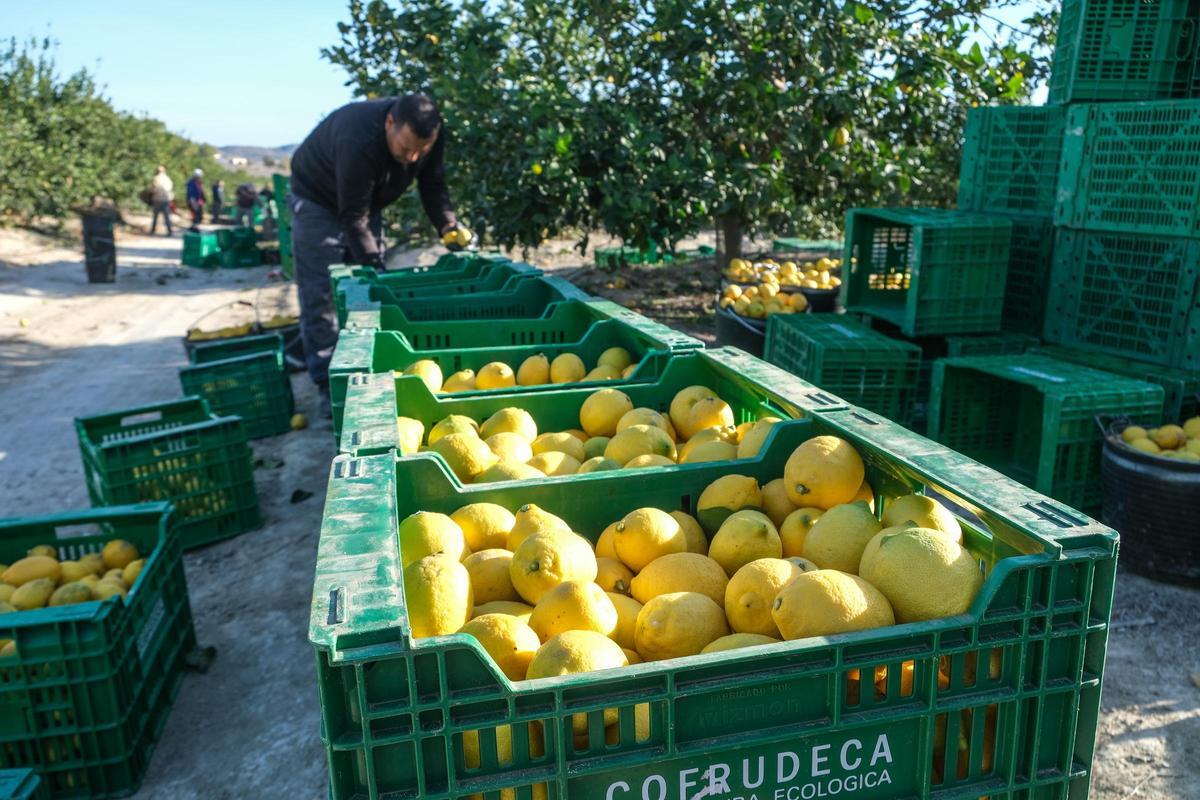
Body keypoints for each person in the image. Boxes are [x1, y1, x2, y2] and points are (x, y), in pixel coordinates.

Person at [290, 93, 469, 414]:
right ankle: (327, 383)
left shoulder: (429, 134)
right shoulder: (358, 139)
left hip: (364, 202)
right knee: (322, 293)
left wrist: (447, 225)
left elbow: (433, 184)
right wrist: (375, 264)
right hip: (318, 199)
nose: (413, 158)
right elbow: (352, 217)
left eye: (421, 151)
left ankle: (368, 365)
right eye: (405, 148)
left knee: (368, 290)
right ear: (389, 124)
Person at [149, 166, 174, 236]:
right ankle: (169, 231)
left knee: (155, 217)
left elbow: (153, 189)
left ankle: (152, 230)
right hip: (166, 200)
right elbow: (170, 188)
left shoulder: (156, 178)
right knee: (167, 217)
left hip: (157, 200)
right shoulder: (168, 179)